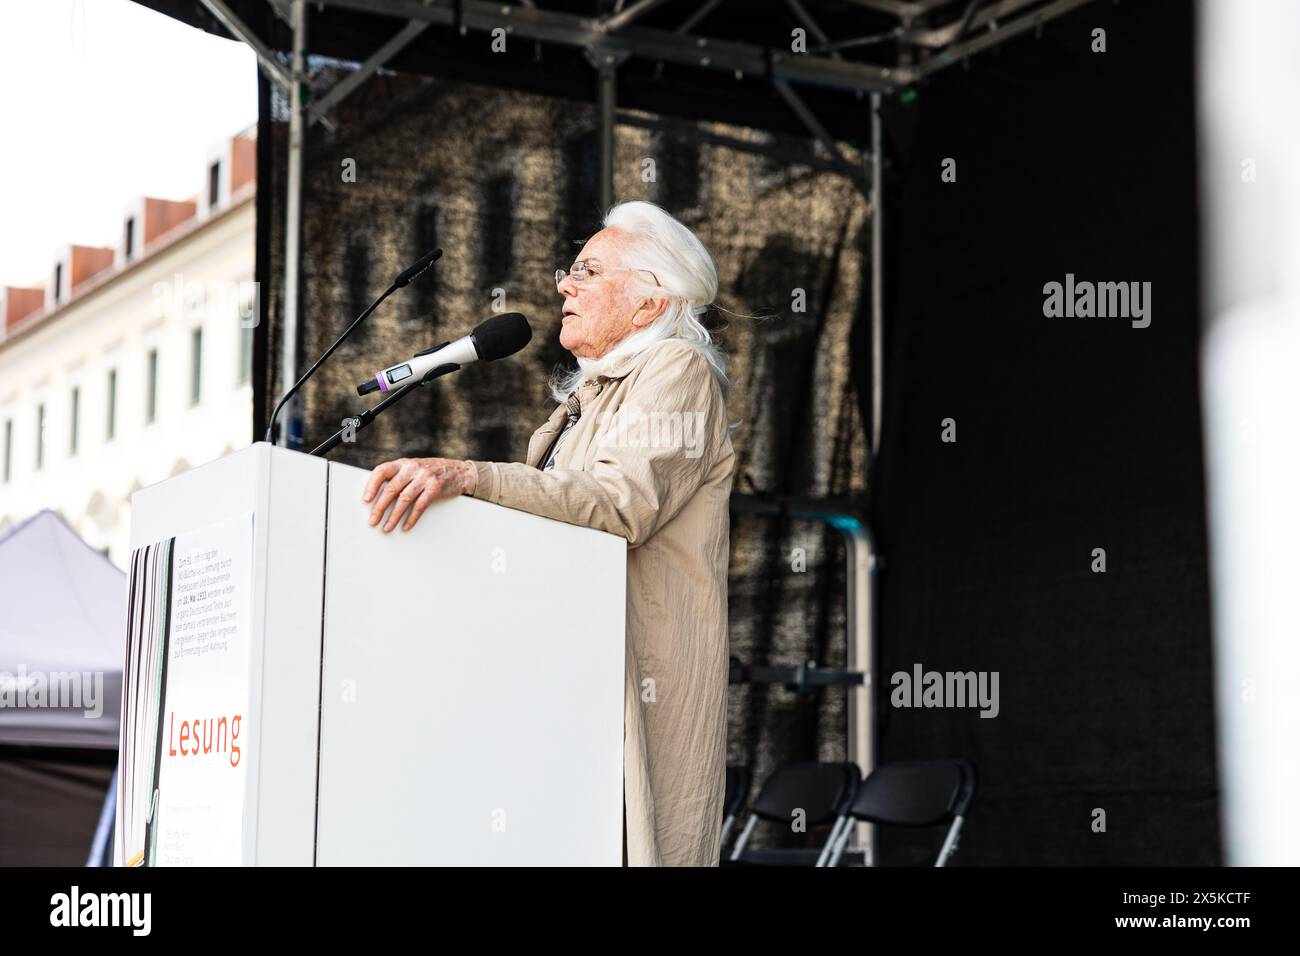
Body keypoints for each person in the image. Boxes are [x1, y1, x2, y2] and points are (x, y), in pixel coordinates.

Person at [362, 200, 735, 866]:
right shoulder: (579, 404)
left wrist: (471, 477)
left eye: (588, 270)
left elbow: (620, 506)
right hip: (561, 683)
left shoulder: (677, 370)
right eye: (571, 270)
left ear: (652, 304)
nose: (565, 284)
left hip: (628, 688)